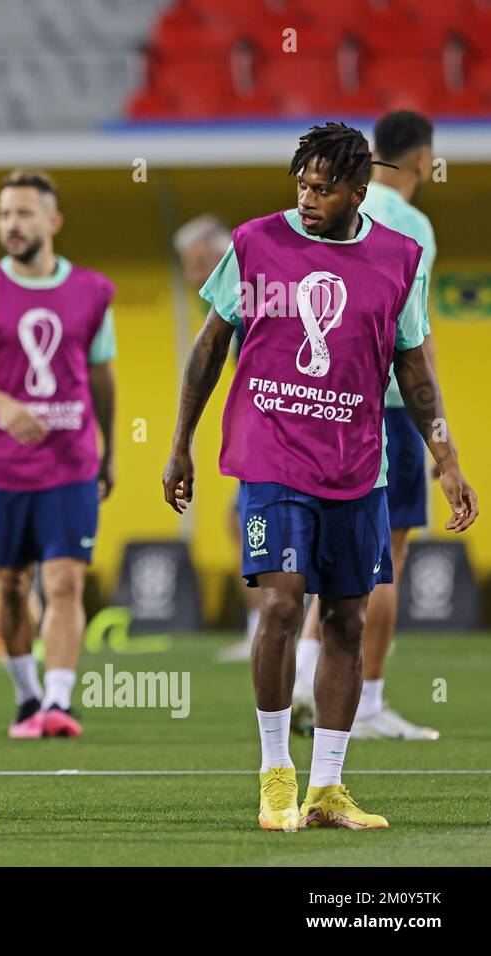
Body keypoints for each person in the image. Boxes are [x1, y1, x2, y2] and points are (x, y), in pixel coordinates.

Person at [162, 123, 477, 831]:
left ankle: (328, 787)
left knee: (347, 617)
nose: (307, 199)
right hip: (271, 455)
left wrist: (446, 458)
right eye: (301, 184)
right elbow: (210, 347)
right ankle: (276, 774)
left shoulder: (401, 257)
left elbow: (414, 369)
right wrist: (179, 443)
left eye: (323, 188)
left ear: (358, 192)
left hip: (358, 463)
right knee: (279, 603)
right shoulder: (254, 244)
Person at [0, 169, 116, 740]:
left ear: (53, 220)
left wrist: (108, 451)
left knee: (64, 582)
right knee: (9, 585)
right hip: (2, 470)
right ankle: (26, 697)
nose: (11, 225)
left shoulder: (92, 291)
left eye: (22, 214)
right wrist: (2, 404)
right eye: (3, 215)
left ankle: (60, 702)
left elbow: (101, 378)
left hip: (70, 465)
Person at [292, 111, 442, 741]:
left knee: (321, 557)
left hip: (321, 404)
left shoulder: (329, 205)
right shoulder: (411, 226)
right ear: (426, 159)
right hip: (390, 407)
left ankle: (303, 681)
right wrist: (441, 435)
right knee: (385, 556)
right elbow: (415, 340)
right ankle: (369, 702)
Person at [174, 215, 262, 663]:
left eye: (198, 263)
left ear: (220, 252)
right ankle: (262, 630)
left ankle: (289, 633)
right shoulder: (236, 299)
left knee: (256, 527)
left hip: (291, 438)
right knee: (243, 525)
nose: (193, 276)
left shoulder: (252, 288)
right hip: (265, 436)